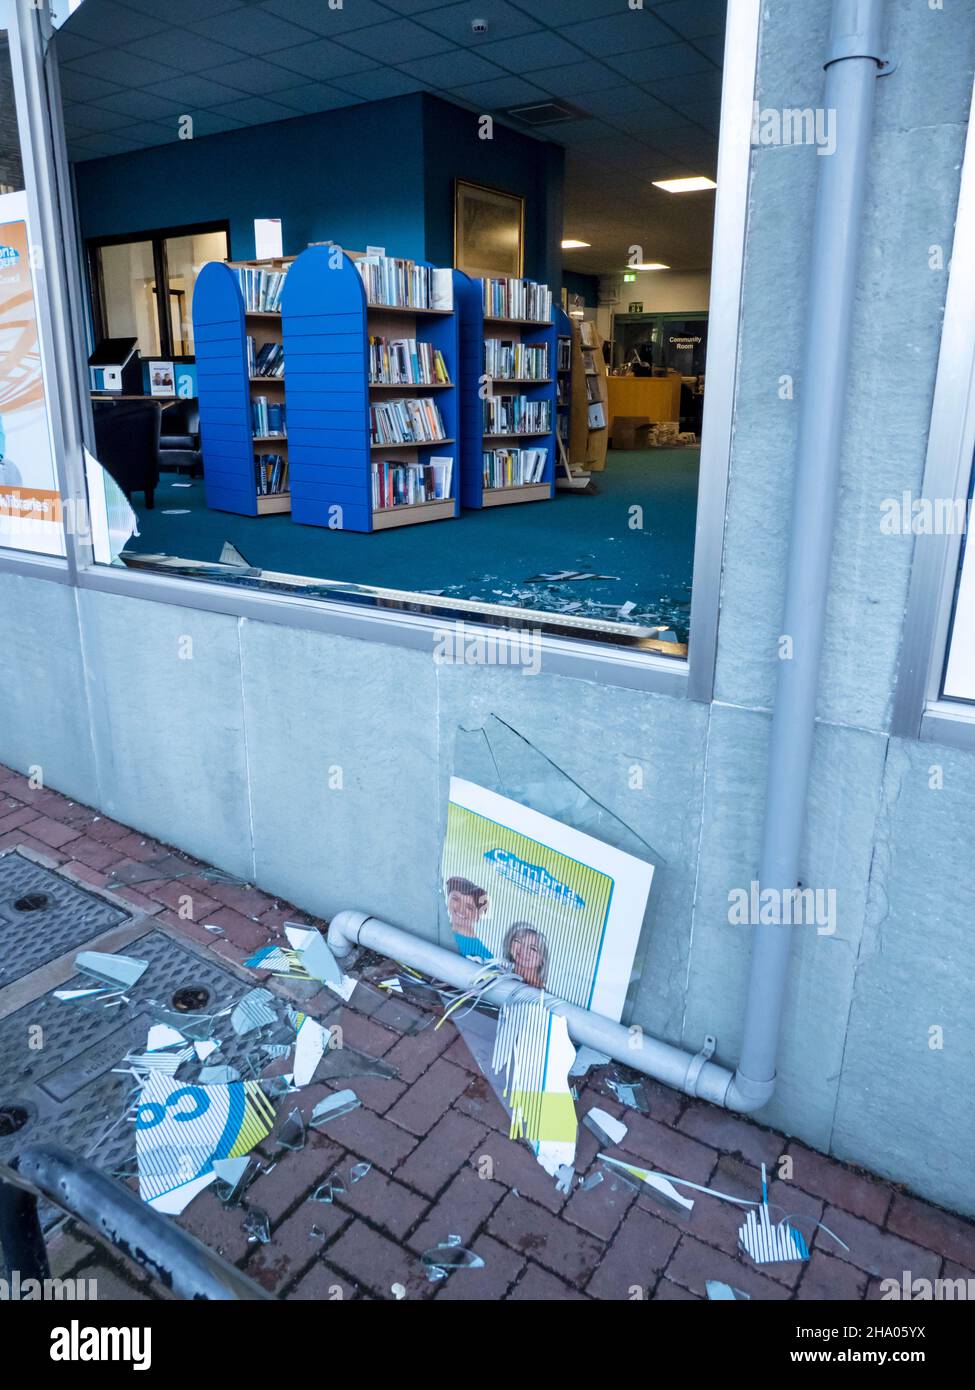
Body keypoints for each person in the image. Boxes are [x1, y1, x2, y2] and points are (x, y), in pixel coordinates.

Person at [444, 875, 492, 960]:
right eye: (456, 899)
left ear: (478, 916)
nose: (461, 909)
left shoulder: (484, 954)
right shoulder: (437, 930)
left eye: (469, 907)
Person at [503, 922, 549, 990]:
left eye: (533, 948)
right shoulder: (503, 973)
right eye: (518, 941)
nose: (523, 950)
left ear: (542, 960)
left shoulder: (538, 992)